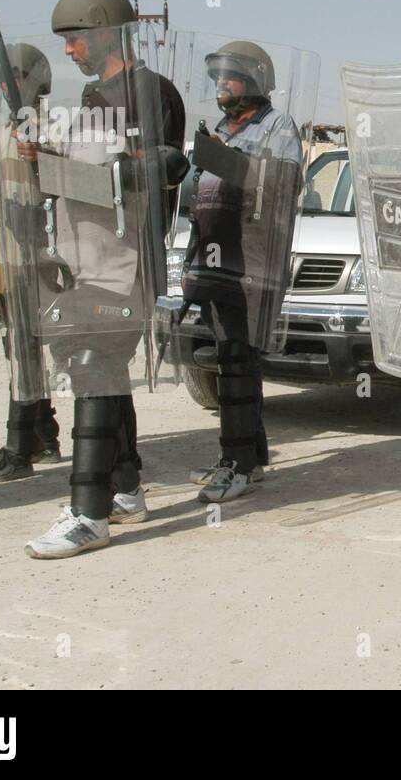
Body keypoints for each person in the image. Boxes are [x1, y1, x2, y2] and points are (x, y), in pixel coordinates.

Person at [18, 0, 186, 558]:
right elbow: (92, 167)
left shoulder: (149, 91)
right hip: (87, 259)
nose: (68, 51)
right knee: (103, 372)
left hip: (128, 264)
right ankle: (126, 487)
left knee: (92, 368)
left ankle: (87, 513)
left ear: (106, 33)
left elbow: (150, 171)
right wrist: (46, 159)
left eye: (75, 39)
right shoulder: (93, 97)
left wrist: (84, 165)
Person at [180, 40, 303, 503]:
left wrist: (230, 164)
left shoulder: (278, 127)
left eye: (229, 77)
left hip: (253, 261)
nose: (220, 85)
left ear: (253, 79)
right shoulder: (220, 129)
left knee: (238, 358)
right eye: (216, 78)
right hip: (214, 256)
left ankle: (238, 463)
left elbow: (282, 186)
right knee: (232, 353)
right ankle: (249, 458)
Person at [0, 43, 62, 483]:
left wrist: (45, 159)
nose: (8, 85)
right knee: (16, 347)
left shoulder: (53, 129)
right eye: (4, 78)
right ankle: (44, 435)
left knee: (25, 348)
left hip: (33, 257)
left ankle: (17, 447)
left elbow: (66, 190)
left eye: (16, 77)